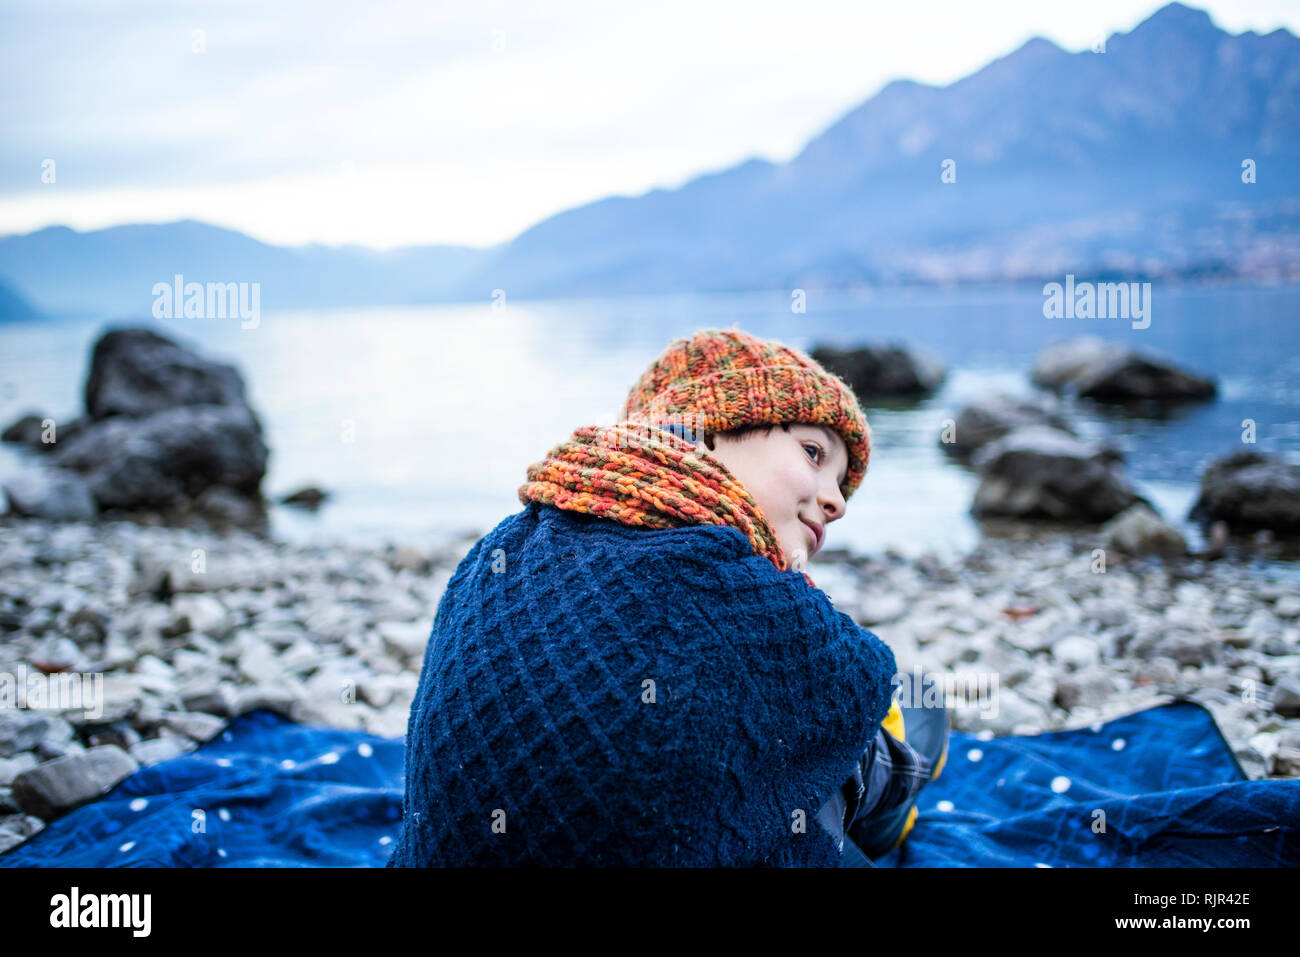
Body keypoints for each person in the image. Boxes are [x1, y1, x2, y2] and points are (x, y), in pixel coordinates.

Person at [386, 327, 946, 867]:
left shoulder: (506, 543)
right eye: (814, 454)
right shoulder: (730, 585)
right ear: (707, 431)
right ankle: (881, 809)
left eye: (843, 487)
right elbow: (863, 674)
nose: (837, 503)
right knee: (912, 705)